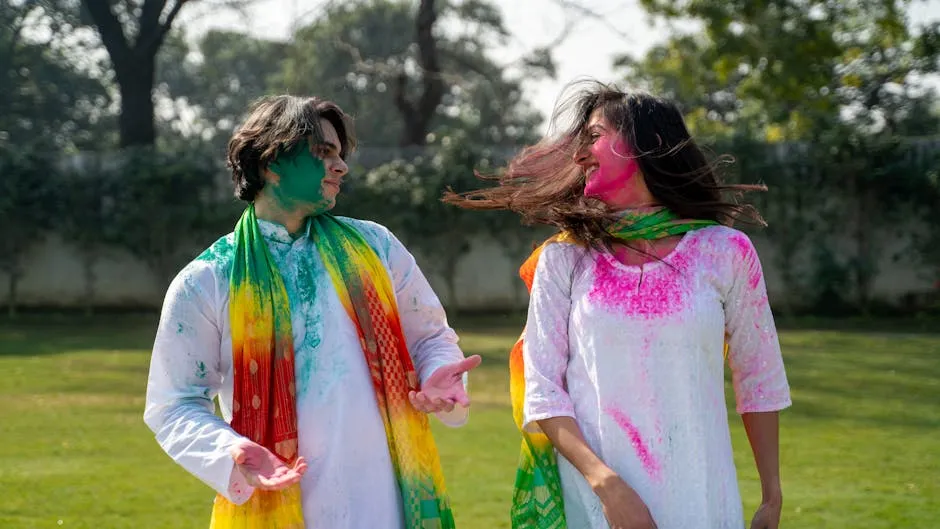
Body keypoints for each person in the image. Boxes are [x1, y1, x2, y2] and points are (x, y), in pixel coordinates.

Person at [445, 81, 791, 529]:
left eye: (594, 135)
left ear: (645, 144)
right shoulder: (565, 258)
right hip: (596, 501)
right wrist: (607, 485)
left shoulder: (724, 250)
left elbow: (758, 376)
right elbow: (543, 391)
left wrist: (771, 495)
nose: (579, 155)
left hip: (701, 495)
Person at [144, 95, 480, 529]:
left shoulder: (376, 248)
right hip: (280, 498)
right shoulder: (209, 279)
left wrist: (439, 372)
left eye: (340, 155)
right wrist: (227, 451)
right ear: (270, 162)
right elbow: (174, 403)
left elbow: (431, 338)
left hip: (388, 500)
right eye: (323, 153)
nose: (340, 167)